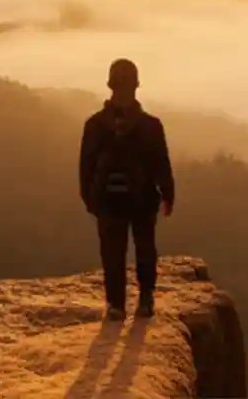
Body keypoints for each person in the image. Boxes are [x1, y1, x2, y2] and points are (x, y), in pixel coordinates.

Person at [79, 58, 175, 321]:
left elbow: (85, 168)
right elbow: (161, 164)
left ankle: (116, 304)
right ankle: (145, 299)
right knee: (144, 248)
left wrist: (89, 199)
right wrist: (168, 194)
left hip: (107, 199)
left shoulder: (95, 125)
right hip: (142, 198)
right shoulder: (151, 126)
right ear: (136, 86)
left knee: (112, 252)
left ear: (111, 86)